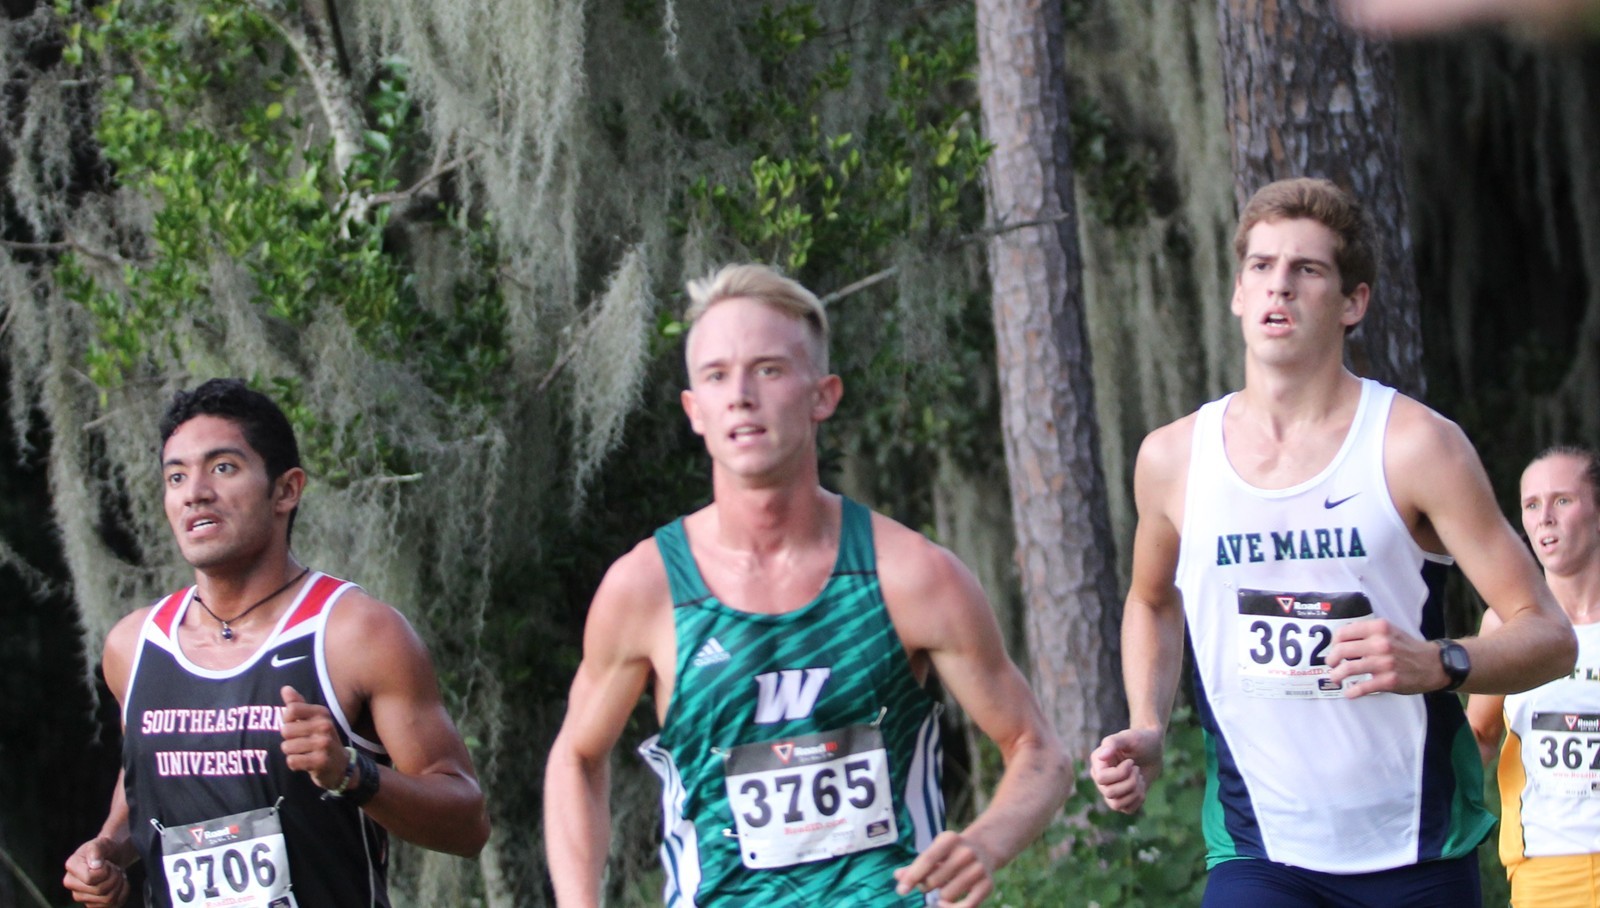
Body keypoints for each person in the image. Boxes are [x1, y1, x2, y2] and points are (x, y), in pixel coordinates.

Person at [1089, 177, 1577, 907]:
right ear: (1237, 293)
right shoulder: (1172, 459)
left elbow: (1551, 637)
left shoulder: (1416, 447)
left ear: (1353, 302)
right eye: (1260, 267)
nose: (1277, 287)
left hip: (1414, 848)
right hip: (1259, 851)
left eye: (1306, 270)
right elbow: (1154, 601)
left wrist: (1442, 661)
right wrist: (1148, 725)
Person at [543, 264, 1071, 907]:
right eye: (716, 375)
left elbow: (1038, 751)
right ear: (695, 411)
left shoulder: (912, 576)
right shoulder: (646, 588)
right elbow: (575, 756)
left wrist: (987, 842)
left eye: (768, 369)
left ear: (823, 395)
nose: (740, 394)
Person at [62, 378, 489, 907]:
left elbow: (468, 825)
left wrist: (352, 773)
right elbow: (144, 789)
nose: (195, 490)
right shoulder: (133, 646)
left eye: (223, 467)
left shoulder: (355, 633)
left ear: (286, 489)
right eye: (176, 475)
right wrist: (105, 850)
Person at [1468, 446, 1600, 906]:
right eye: (1531, 504)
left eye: (1562, 500)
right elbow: (1479, 734)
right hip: (1546, 866)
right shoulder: (1506, 624)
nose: (1545, 517)